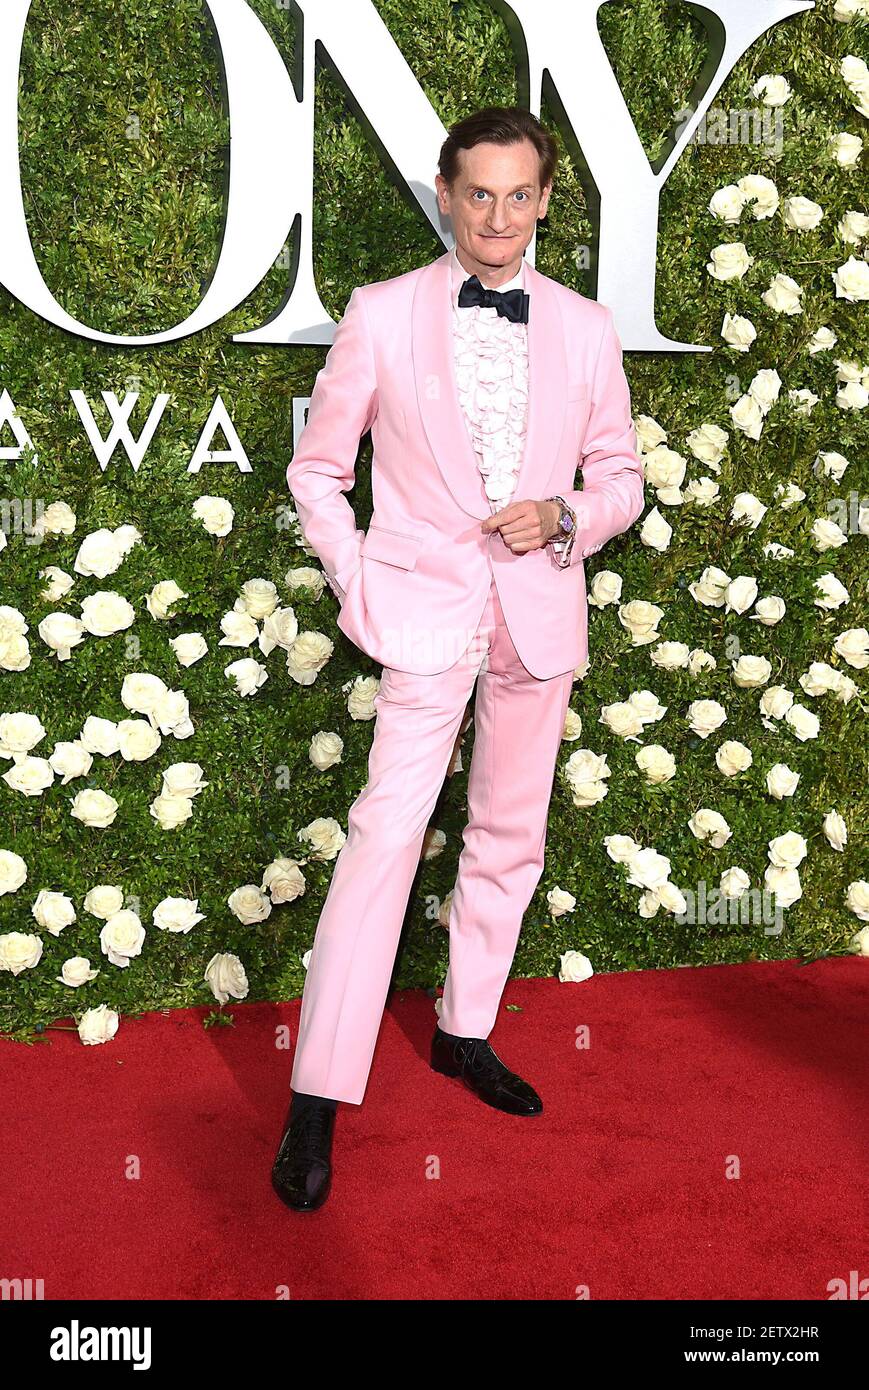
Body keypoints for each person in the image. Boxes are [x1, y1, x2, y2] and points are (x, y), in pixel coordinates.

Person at [274, 105, 645, 1211]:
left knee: (506, 834)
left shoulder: (584, 326)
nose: (497, 215)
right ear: (444, 193)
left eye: (517, 194)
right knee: (385, 835)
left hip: (535, 616)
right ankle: (314, 1097)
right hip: (421, 616)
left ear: (544, 202)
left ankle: (464, 1031)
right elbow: (315, 471)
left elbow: (620, 473)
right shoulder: (382, 314)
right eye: (476, 193)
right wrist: (361, 580)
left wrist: (567, 515)